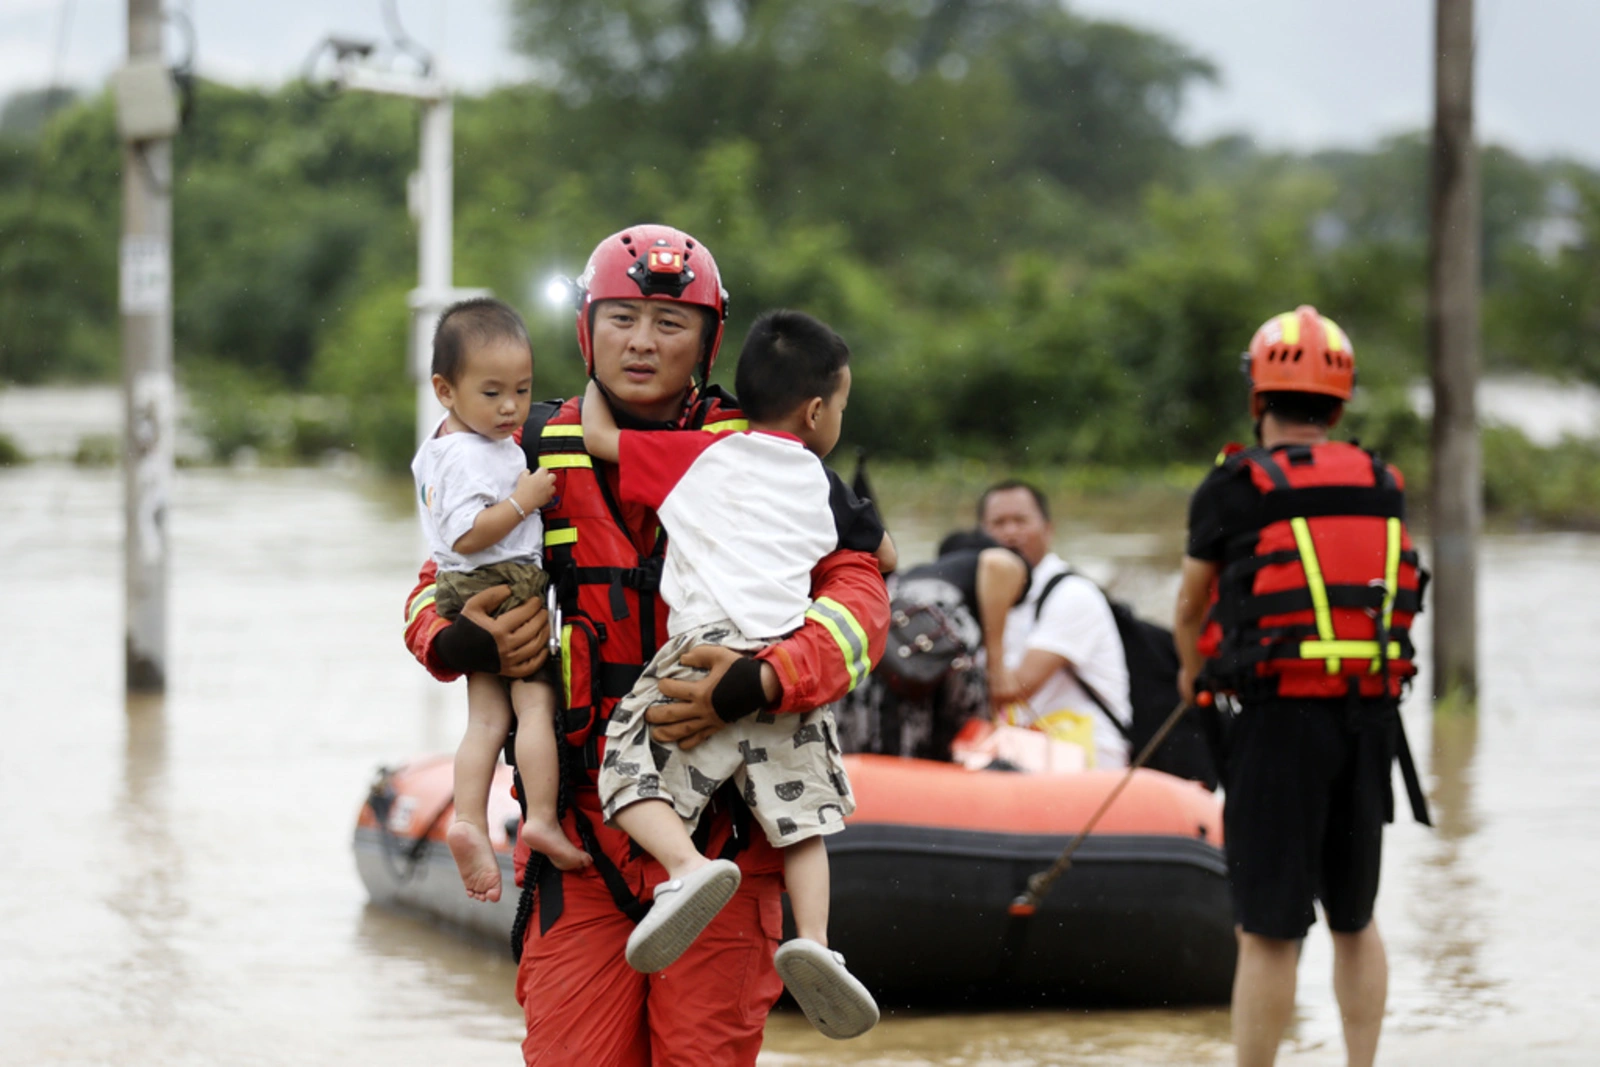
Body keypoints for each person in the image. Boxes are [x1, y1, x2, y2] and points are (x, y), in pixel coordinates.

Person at [401, 225, 890, 1067]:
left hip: (729, 840)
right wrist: (458, 636)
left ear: (709, 342)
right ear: (588, 329)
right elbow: (432, 580)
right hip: (584, 840)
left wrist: (762, 680)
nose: (642, 342)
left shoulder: (763, 451)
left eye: (670, 323)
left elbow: (859, 600)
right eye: (622, 319)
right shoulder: (519, 449)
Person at [581, 309, 891, 1037]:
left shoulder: (696, 455)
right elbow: (884, 556)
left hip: (700, 651)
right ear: (815, 412)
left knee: (624, 771)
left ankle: (685, 867)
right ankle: (815, 942)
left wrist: (593, 379)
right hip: (782, 657)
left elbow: (599, 439)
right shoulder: (825, 486)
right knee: (804, 823)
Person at [1171, 305, 1428, 1067]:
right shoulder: (1382, 481)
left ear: (1258, 397)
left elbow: (1189, 606)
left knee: (1268, 930)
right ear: (1338, 405)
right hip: (1370, 719)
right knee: (1355, 918)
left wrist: (1191, 675)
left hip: (1278, 723)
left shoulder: (1232, 486)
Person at [409, 298, 591, 903]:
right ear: (445, 390)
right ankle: (541, 818)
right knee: (534, 705)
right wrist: (524, 500)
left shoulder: (446, 445)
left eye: (522, 390)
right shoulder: (469, 454)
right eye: (492, 393)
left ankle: (467, 818)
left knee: (486, 720)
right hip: (504, 581)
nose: (511, 407)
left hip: (466, 589)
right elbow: (466, 533)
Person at [978, 480, 1132, 769]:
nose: (1009, 533)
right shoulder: (978, 593)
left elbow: (1012, 691)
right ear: (980, 534)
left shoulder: (1073, 595)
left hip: (1086, 752)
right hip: (1024, 746)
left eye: (1020, 521)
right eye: (998, 523)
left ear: (1048, 529)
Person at [838, 530, 1029, 761]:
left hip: (872, 648)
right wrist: (997, 671)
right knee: (960, 746)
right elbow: (998, 563)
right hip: (933, 646)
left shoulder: (915, 574)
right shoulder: (998, 563)